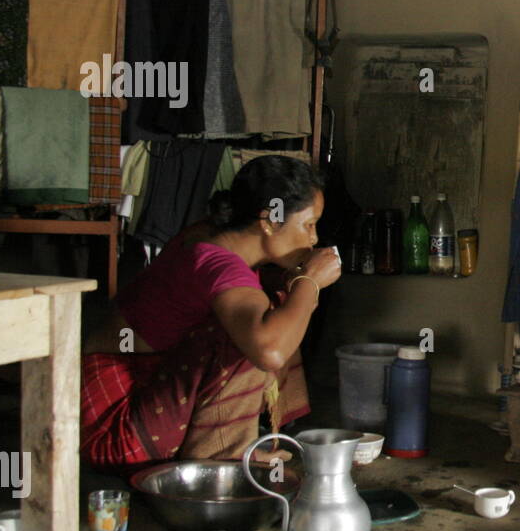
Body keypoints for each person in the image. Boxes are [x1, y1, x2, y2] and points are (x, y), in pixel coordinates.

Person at [80, 155, 341, 470]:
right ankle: (222, 462)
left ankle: (226, 449)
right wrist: (309, 283)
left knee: (274, 313)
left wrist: (295, 284)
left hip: (106, 406)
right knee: (256, 333)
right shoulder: (219, 266)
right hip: (113, 429)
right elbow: (269, 351)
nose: (313, 238)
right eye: (308, 224)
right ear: (270, 221)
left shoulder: (210, 236)